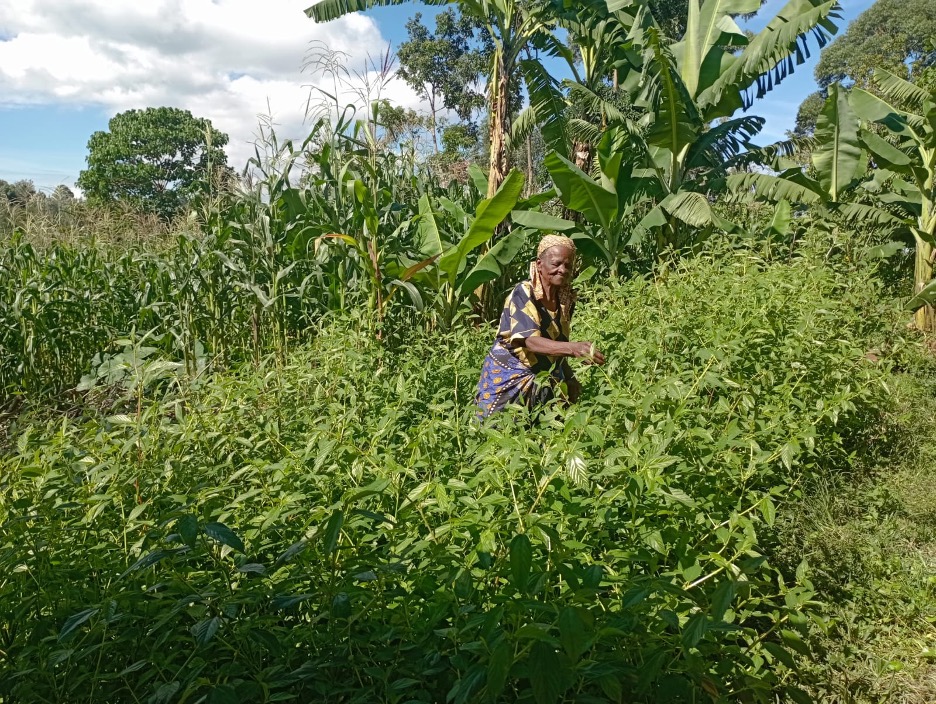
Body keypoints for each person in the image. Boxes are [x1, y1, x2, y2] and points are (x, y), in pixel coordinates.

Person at [475, 234, 606, 420]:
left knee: (546, 437)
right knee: (494, 435)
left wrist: (569, 378)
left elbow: (557, 344)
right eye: (556, 264)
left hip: (546, 377)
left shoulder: (564, 299)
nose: (562, 270)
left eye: (568, 265)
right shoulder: (523, 293)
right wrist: (574, 349)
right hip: (510, 378)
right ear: (539, 264)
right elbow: (530, 341)